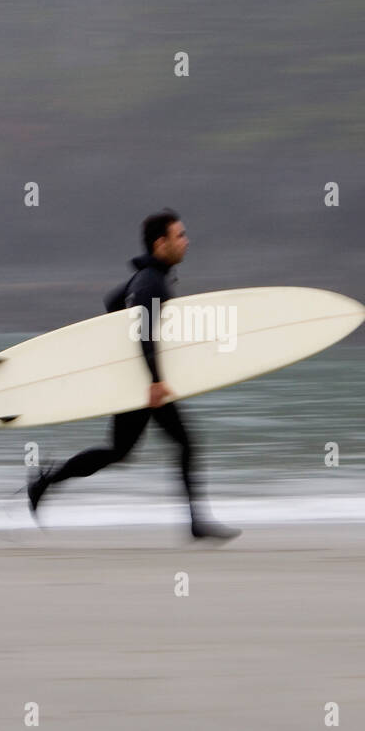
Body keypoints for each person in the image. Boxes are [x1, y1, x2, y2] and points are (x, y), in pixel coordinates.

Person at [26, 209, 240, 541]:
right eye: (180, 235)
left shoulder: (145, 279)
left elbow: (113, 302)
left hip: (136, 378)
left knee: (119, 452)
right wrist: (155, 380)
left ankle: (44, 482)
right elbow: (145, 333)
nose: (187, 241)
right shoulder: (151, 283)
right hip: (146, 382)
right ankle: (196, 523)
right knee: (184, 443)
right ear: (161, 243)